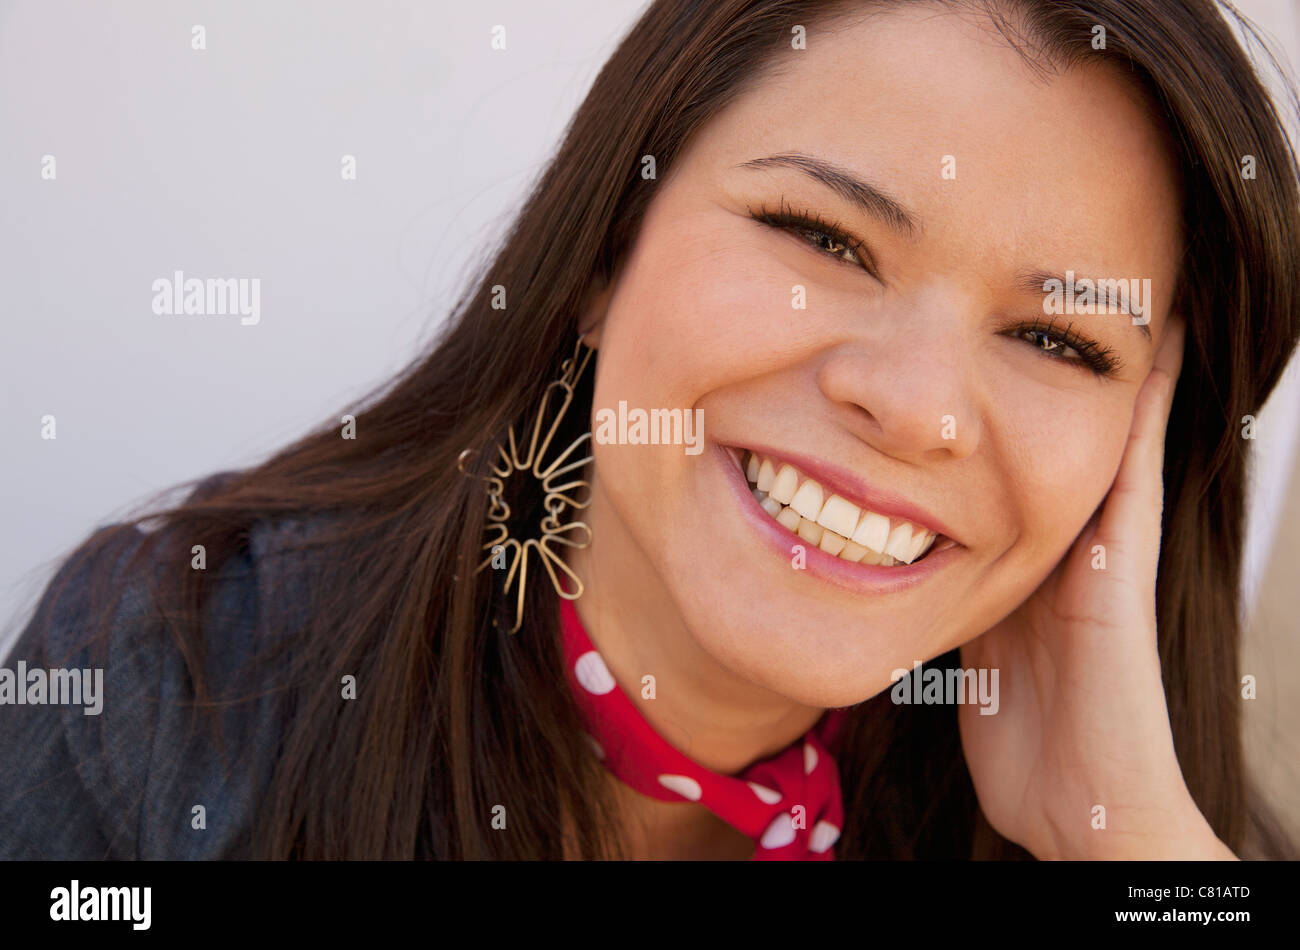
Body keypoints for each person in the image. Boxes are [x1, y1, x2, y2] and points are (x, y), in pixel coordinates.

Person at [2, 0, 1298, 860]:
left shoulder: (1178, 841)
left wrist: (1125, 838)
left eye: (1061, 340)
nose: (912, 403)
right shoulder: (168, 687)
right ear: (603, 255)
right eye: (820, 238)